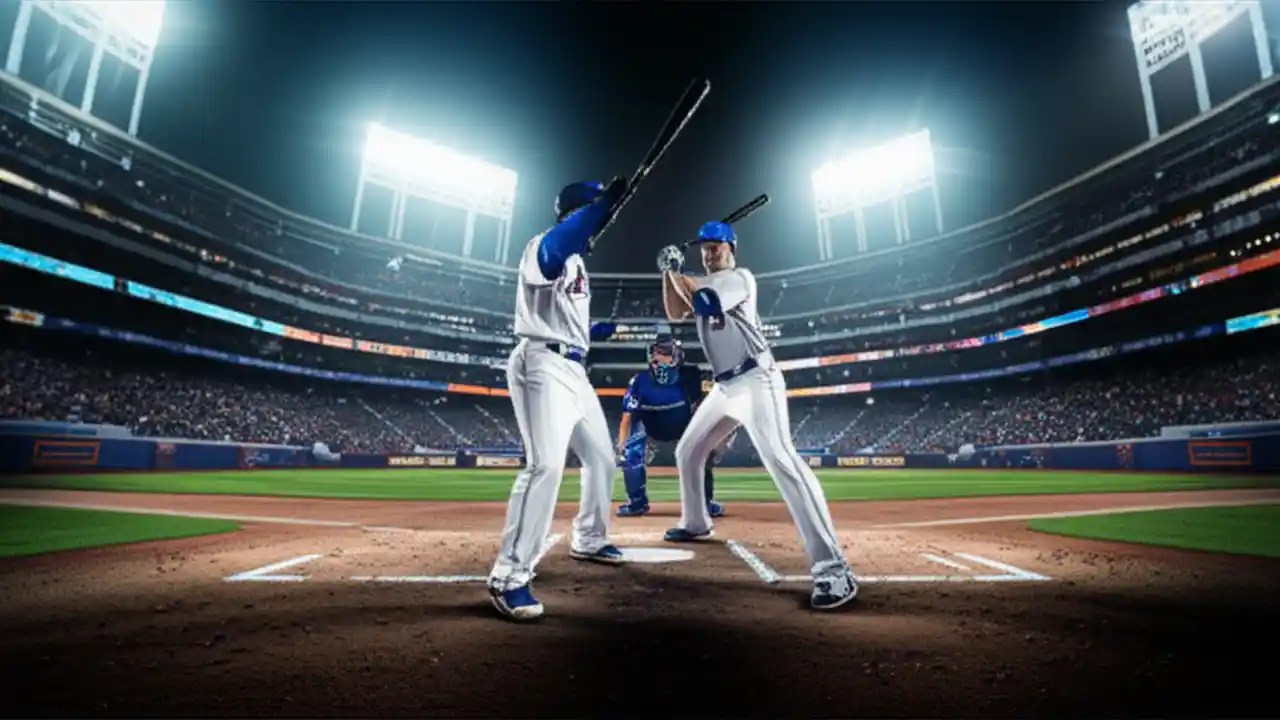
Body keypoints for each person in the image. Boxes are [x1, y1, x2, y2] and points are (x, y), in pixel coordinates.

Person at [656, 221, 858, 611]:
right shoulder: (699, 278)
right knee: (688, 451)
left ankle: (834, 570)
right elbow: (675, 311)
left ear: (731, 248)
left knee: (782, 461)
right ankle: (696, 522)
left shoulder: (738, 279)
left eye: (715, 246)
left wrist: (679, 272)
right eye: (704, 247)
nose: (709, 252)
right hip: (725, 386)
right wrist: (668, 271)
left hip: (757, 379)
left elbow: (703, 302)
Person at [487, 178, 628, 622]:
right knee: (545, 465)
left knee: (602, 458)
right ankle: (508, 576)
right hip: (540, 363)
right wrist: (602, 206)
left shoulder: (579, 264)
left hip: (573, 367)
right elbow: (551, 255)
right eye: (590, 211)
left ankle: (588, 537)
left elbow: (565, 317)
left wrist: (594, 333)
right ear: (575, 212)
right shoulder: (546, 245)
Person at [615, 336, 726, 518]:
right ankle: (637, 503)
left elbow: (702, 409)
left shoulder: (691, 377)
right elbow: (627, 416)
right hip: (650, 426)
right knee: (631, 452)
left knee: (702, 450)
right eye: (659, 353)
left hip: (682, 423)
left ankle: (704, 503)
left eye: (667, 354)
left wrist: (711, 440)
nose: (662, 358)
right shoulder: (639, 381)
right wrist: (622, 445)